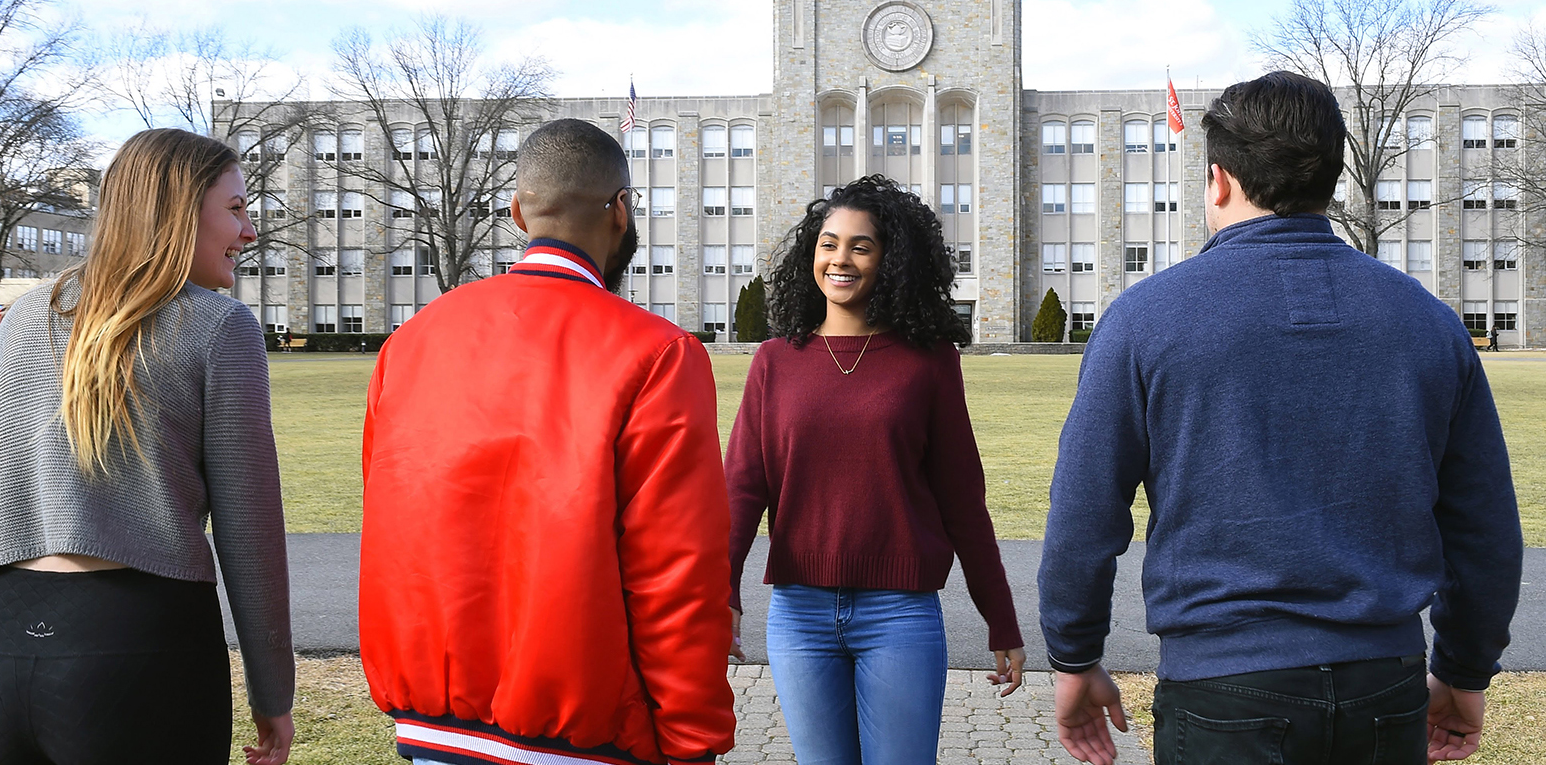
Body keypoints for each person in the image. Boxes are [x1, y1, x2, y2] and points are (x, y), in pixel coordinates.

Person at [1038, 71, 1523, 765]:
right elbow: (1483, 526)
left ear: (1218, 181)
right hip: (1381, 686)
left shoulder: (1145, 320)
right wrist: (1465, 669)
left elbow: (1084, 512)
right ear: (1331, 177)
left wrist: (1074, 655)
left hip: (1223, 689)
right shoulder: (1429, 322)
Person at [358, 118, 735, 765]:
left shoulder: (411, 340)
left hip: (431, 722)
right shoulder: (658, 353)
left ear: (516, 213)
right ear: (622, 211)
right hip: (582, 734)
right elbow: (675, 570)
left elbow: (391, 518)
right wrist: (693, 740)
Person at [0, 128, 295, 765]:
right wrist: (273, 691)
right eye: (236, 209)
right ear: (178, 212)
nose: (250, 233)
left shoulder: (26, 315)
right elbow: (250, 531)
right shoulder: (219, 326)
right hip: (137, 653)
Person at [726, 174, 1025, 765]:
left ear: (891, 261)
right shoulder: (774, 360)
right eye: (829, 243)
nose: (840, 259)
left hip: (900, 613)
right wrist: (721, 592)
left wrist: (1001, 620)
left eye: (860, 247)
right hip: (798, 614)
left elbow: (963, 500)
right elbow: (740, 490)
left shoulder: (929, 362)